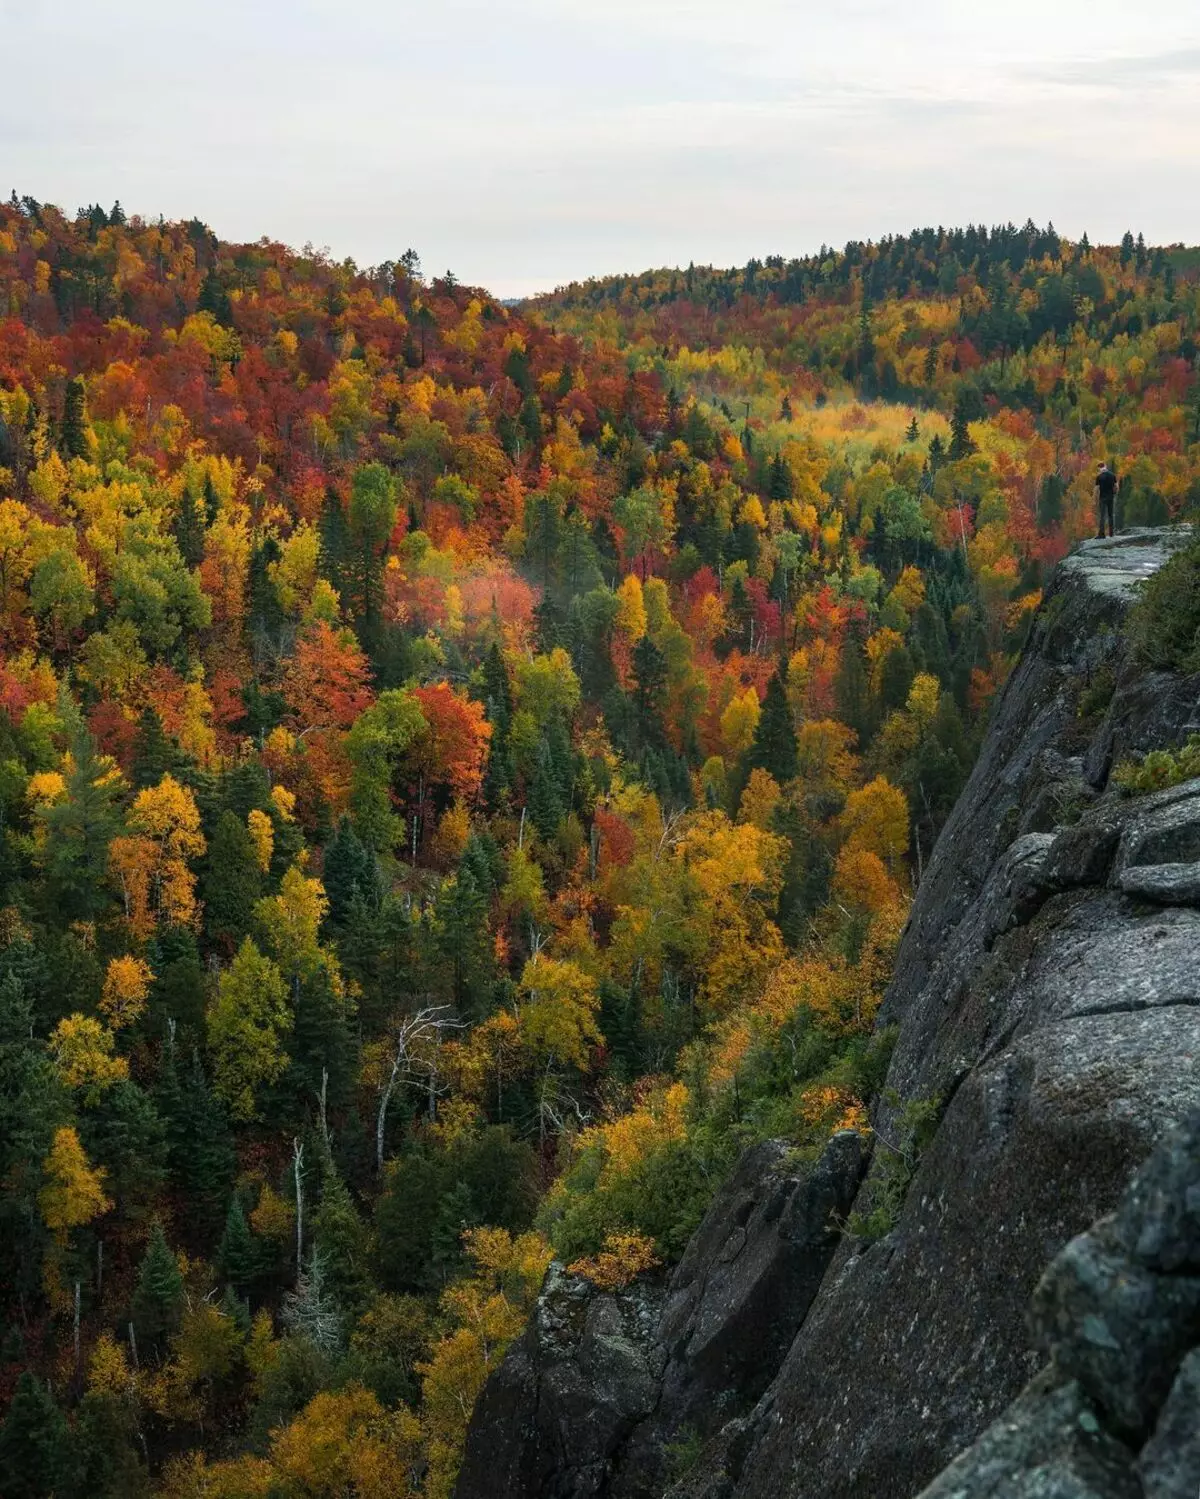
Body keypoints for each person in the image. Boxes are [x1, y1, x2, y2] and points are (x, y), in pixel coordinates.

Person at [1094, 462, 1118, 539]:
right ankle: (1111, 534)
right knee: (1111, 515)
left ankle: (1102, 534)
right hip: (1111, 497)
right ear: (1105, 466)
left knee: (1102, 516)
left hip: (1102, 498)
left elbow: (1097, 489)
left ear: (1099, 468)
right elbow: (1116, 486)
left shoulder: (1099, 477)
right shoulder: (1112, 475)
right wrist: (1114, 493)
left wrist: (1096, 498)